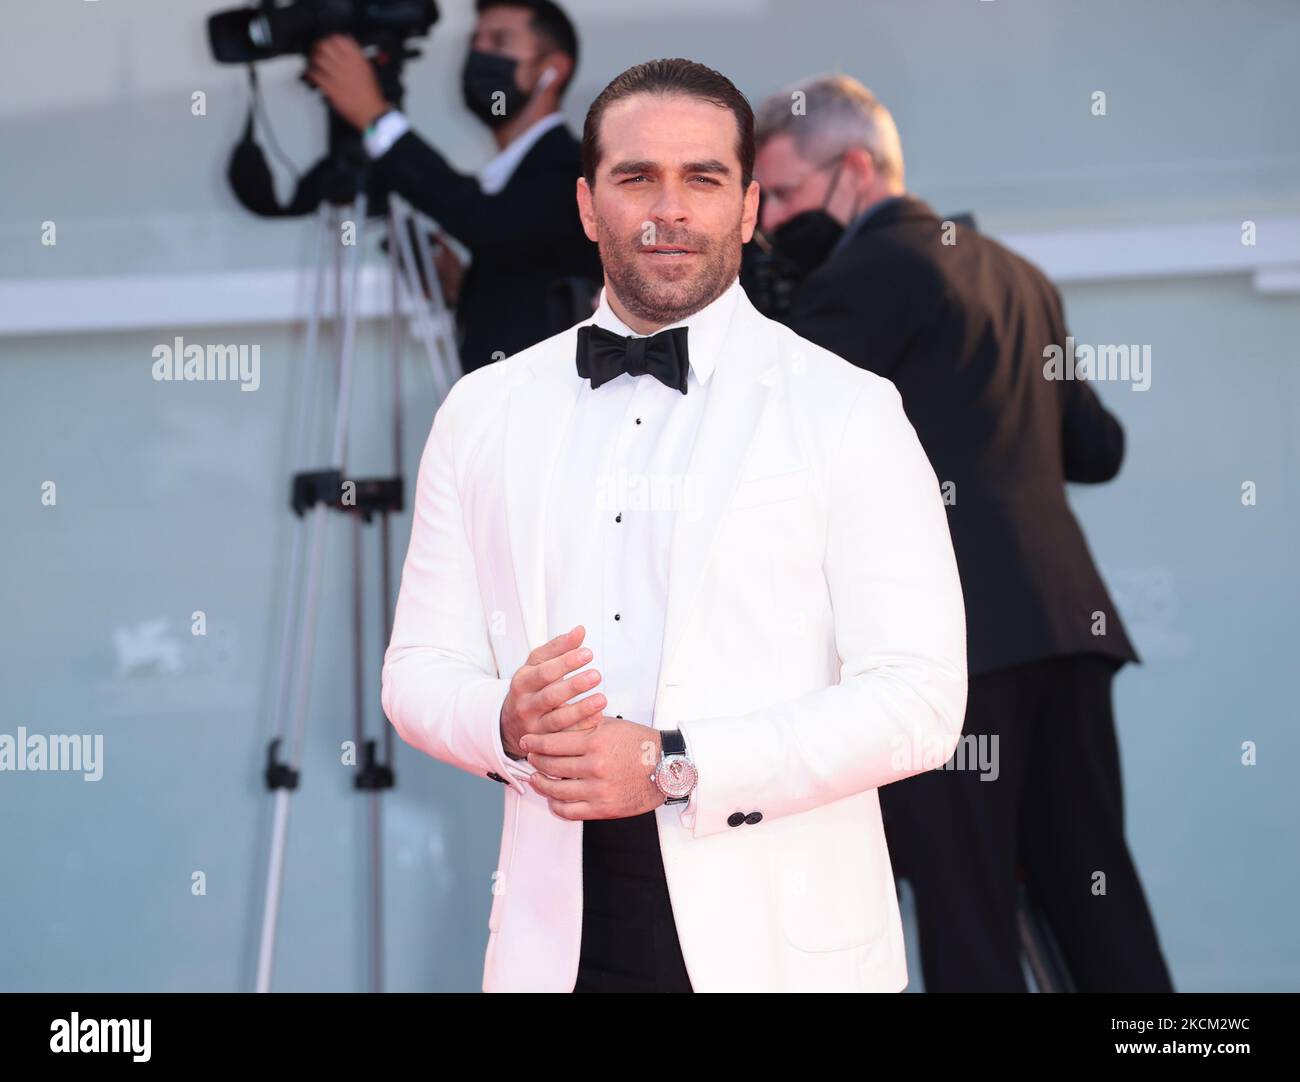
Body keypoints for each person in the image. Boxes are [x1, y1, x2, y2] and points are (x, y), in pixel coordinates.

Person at [380, 57, 968, 992]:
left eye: (703, 179)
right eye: (636, 177)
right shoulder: (481, 411)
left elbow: (922, 703)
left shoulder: (848, 409)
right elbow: (414, 672)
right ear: (586, 205)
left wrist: (672, 766)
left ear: (748, 207)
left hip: (786, 952)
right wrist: (503, 719)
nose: (670, 209)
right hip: (554, 946)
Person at [753, 73, 1173, 992]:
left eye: (779, 193)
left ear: (854, 170)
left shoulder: (863, 278)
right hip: (1069, 632)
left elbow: (766, 442)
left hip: (954, 656)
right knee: (1095, 893)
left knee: (965, 907)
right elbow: (1096, 447)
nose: (767, 220)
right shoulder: (1015, 272)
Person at [306, 0, 600, 373]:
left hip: (549, 420)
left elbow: (485, 222)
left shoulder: (570, 170)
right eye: (475, 42)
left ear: (551, 70)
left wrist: (375, 119)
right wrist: (467, 290)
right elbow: (525, 277)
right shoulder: (511, 178)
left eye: (499, 42)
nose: (479, 53)